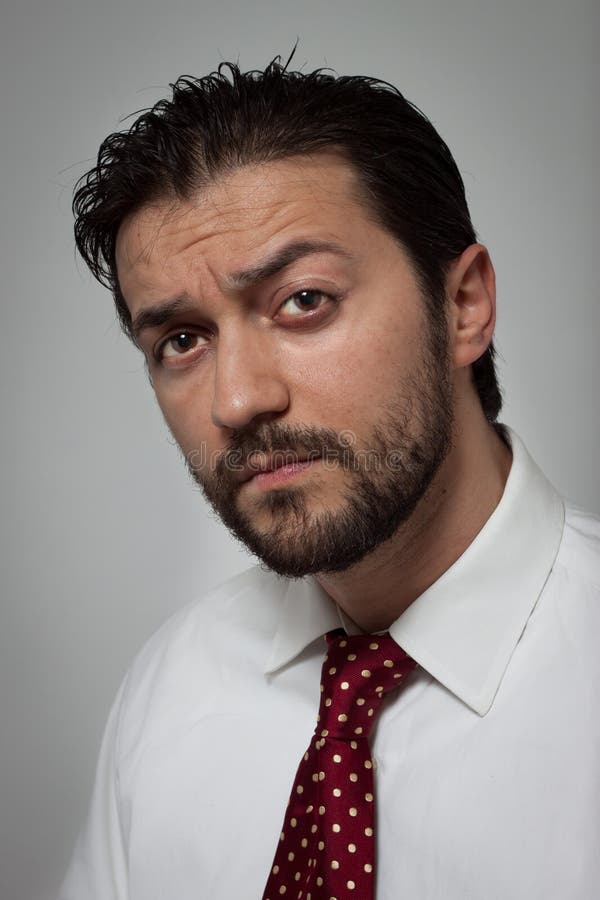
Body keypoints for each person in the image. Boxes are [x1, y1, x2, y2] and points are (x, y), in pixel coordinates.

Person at [60, 58, 599, 900]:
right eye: (181, 341)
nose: (238, 400)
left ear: (462, 306)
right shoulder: (171, 687)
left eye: (303, 299)